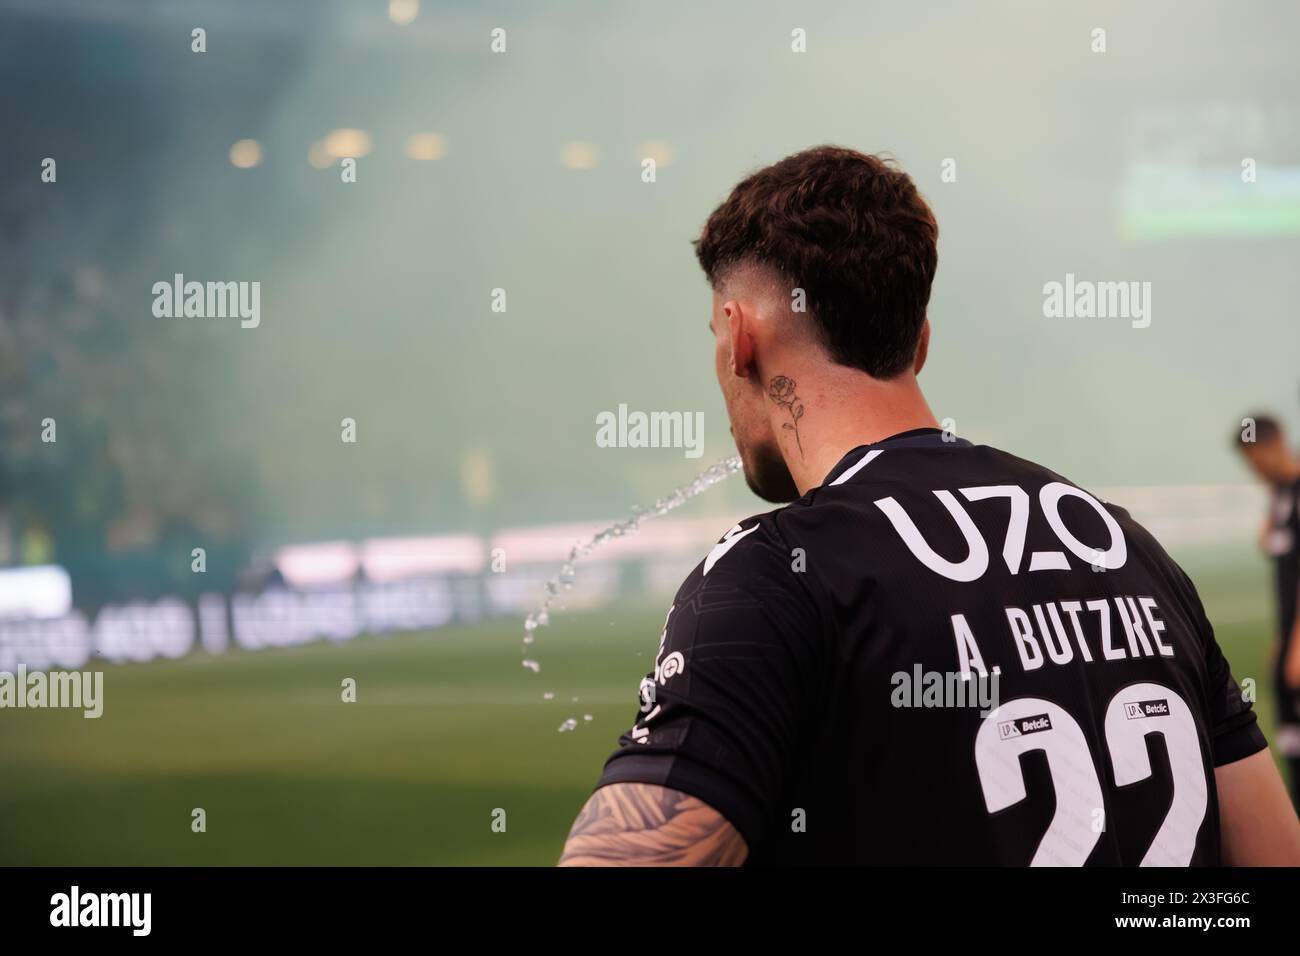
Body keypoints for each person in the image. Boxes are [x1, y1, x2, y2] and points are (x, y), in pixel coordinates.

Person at [558, 145, 1300, 866]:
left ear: (740, 336)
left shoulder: (775, 573)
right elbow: (1276, 850)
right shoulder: (1125, 546)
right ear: (918, 343)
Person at [1235, 413, 1300, 807]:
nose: (1256, 472)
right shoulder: (1281, 495)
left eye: (1258, 462)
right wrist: (1285, 636)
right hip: (1290, 636)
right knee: (1290, 741)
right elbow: (1269, 545)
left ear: (1275, 445)